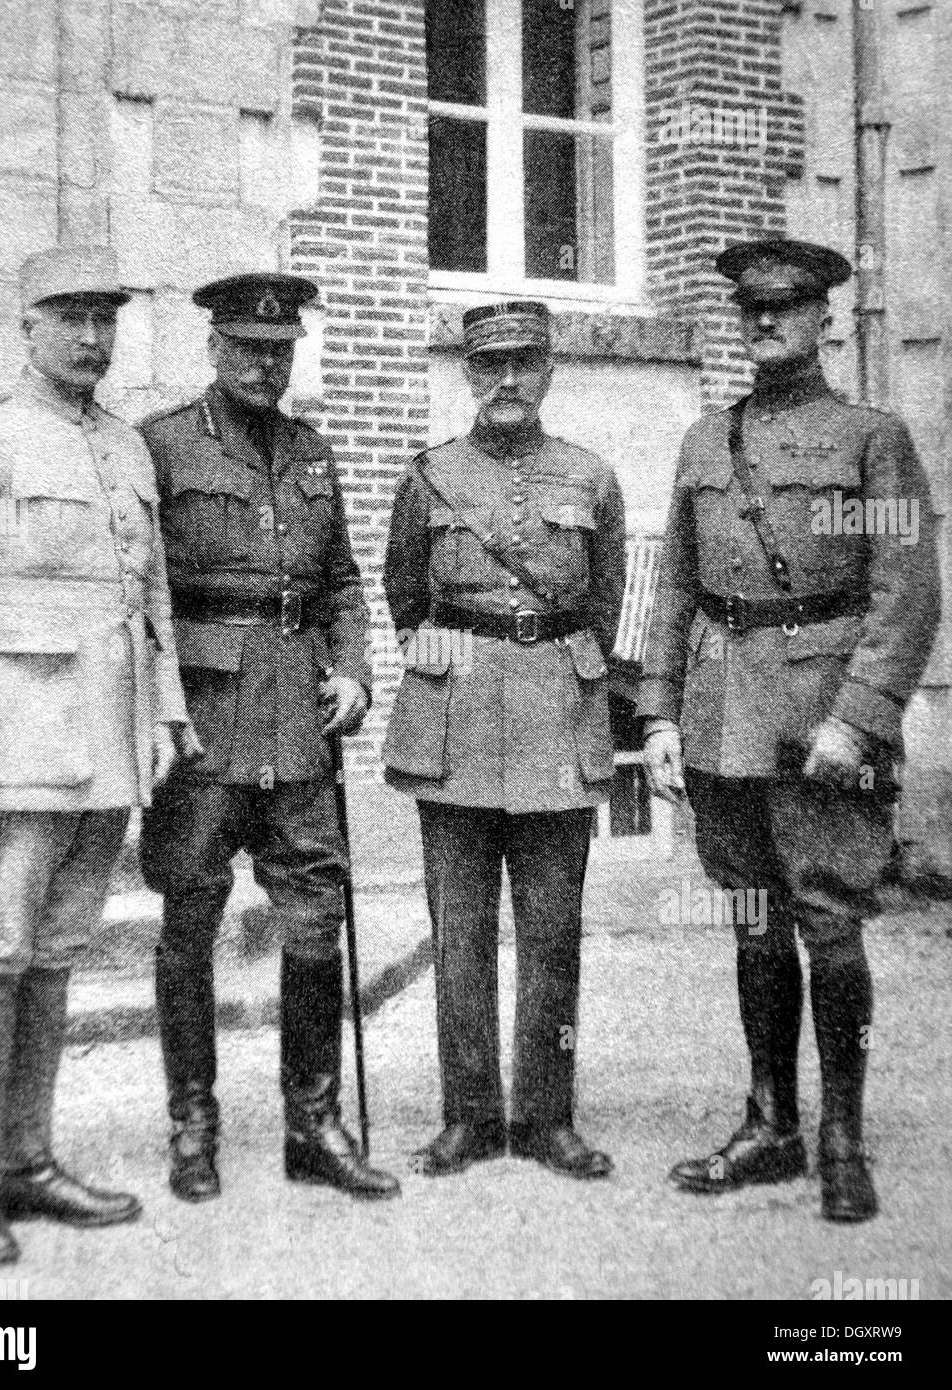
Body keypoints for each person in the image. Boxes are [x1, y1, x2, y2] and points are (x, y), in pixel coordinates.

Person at [0, 245, 193, 1264]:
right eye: (68, 317)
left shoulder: (123, 448)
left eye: (104, 318)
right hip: (14, 751)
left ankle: (30, 1157)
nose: (90, 336)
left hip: (103, 747)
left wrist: (162, 716)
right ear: (25, 326)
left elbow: (146, 600)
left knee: (57, 956)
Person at [639, 238, 941, 1222]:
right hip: (721, 712)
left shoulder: (871, 438)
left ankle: (840, 1135)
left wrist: (857, 721)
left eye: (786, 305)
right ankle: (769, 1121)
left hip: (819, 718)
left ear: (824, 319)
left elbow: (905, 593)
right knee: (750, 917)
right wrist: (655, 714)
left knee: (828, 921)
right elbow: (675, 589)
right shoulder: (701, 442)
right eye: (750, 308)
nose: (764, 321)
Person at [139, 272, 400, 1202]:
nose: (264, 364)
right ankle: (192, 1127)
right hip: (203, 721)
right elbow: (142, 594)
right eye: (248, 348)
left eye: (279, 349)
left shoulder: (311, 450)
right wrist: (155, 707)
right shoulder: (163, 446)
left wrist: (355, 671)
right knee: (189, 922)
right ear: (213, 347)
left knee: (314, 923)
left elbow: (339, 585)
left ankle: (313, 1126)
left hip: (298, 717)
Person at [382, 301, 626, 1179]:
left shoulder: (590, 476)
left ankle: (548, 1117)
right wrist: (453, 659)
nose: (508, 381)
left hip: (557, 719)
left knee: (553, 931)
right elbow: (404, 593)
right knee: (459, 930)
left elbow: (601, 604)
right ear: (468, 375)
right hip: (455, 721)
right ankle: (469, 1116)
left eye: (524, 363)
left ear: (550, 369)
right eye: (490, 366)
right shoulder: (431, 475)